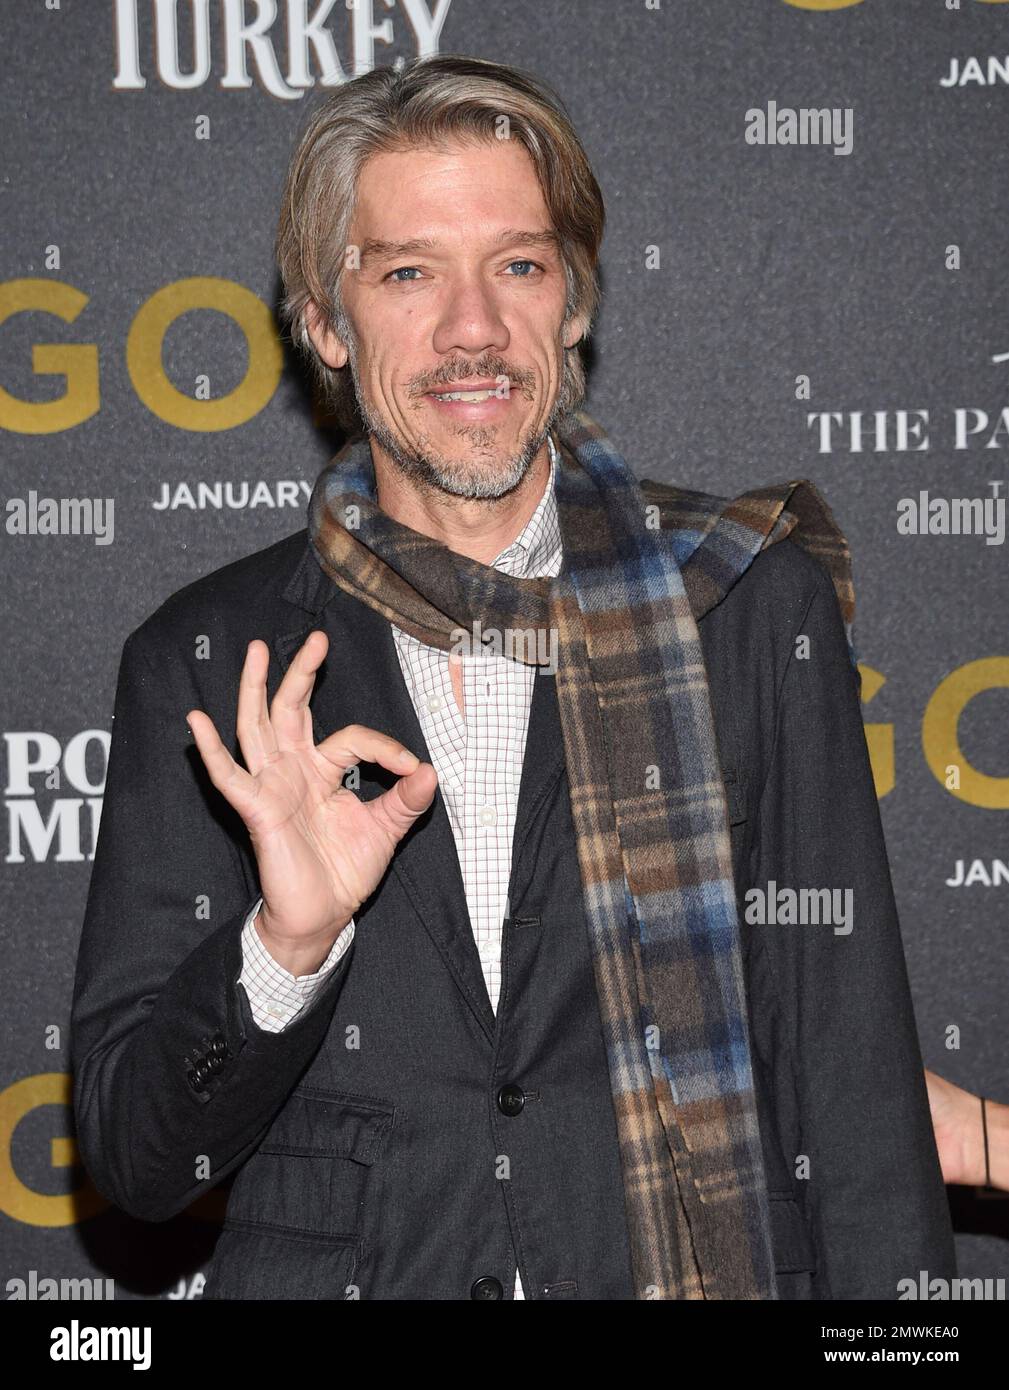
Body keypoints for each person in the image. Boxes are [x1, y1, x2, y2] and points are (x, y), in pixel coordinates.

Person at [71, 54, 955, 1300]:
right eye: (409, 272)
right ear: (325, 321)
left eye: (520, 266)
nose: (472, 328)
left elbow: (848, 1078)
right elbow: (138, 1157)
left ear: (575, 306)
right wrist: (289, 941)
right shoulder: (213, 658)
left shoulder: (748, 606)